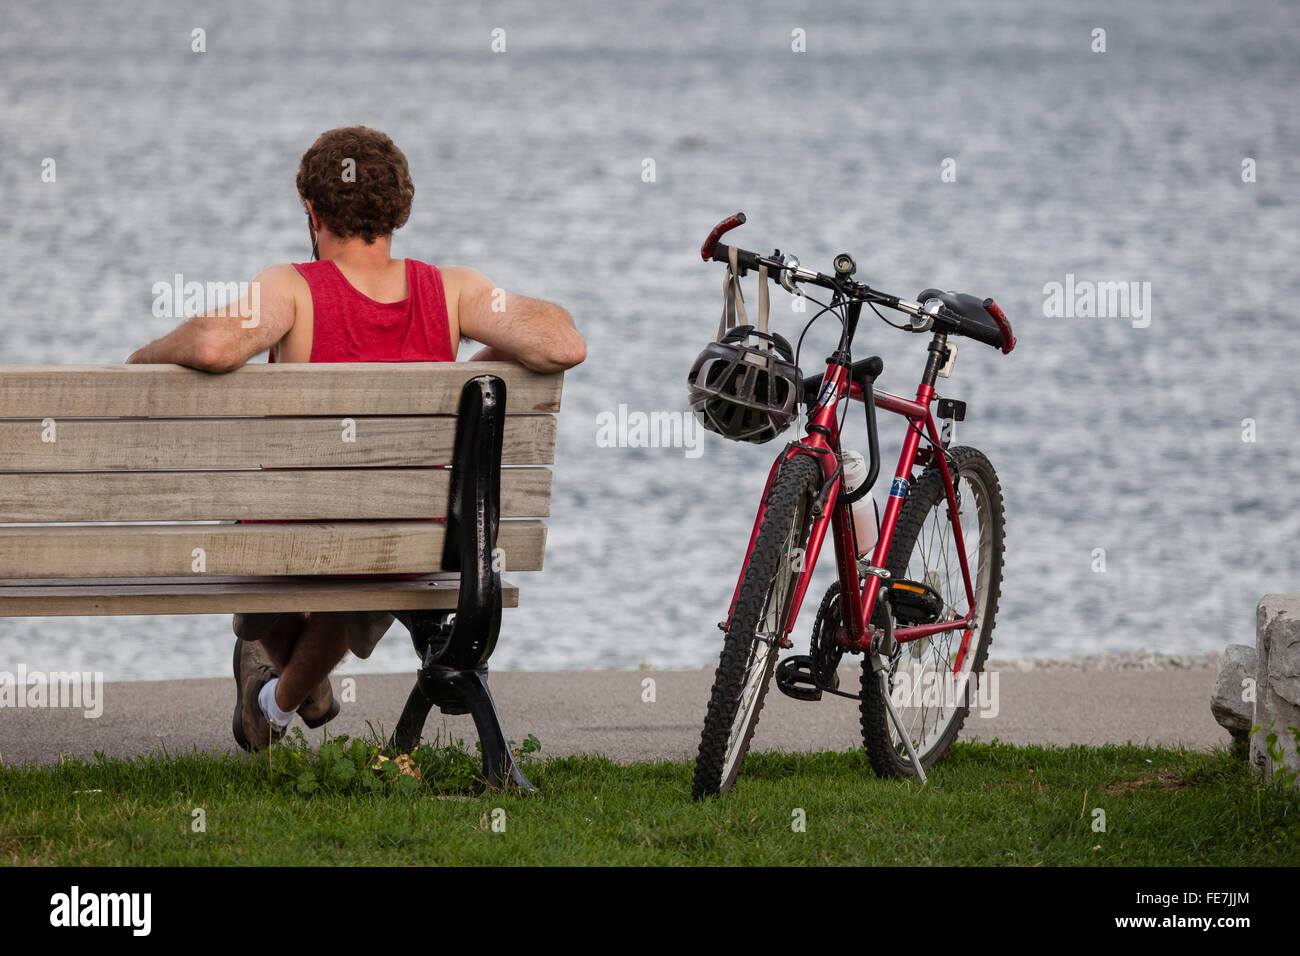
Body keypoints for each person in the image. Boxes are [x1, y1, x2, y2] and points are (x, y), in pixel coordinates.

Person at [126, 126, 586, 750]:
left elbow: (212, 345)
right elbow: (564, 342)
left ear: (312, 212)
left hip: (290, 540)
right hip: (408, 544)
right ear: (399, 210)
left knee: (299, 550)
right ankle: (284, 695)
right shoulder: (450, 291)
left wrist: (144, 356)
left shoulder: (293, 288)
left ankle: (275, 690)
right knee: (371, 555)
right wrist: (477, 360)